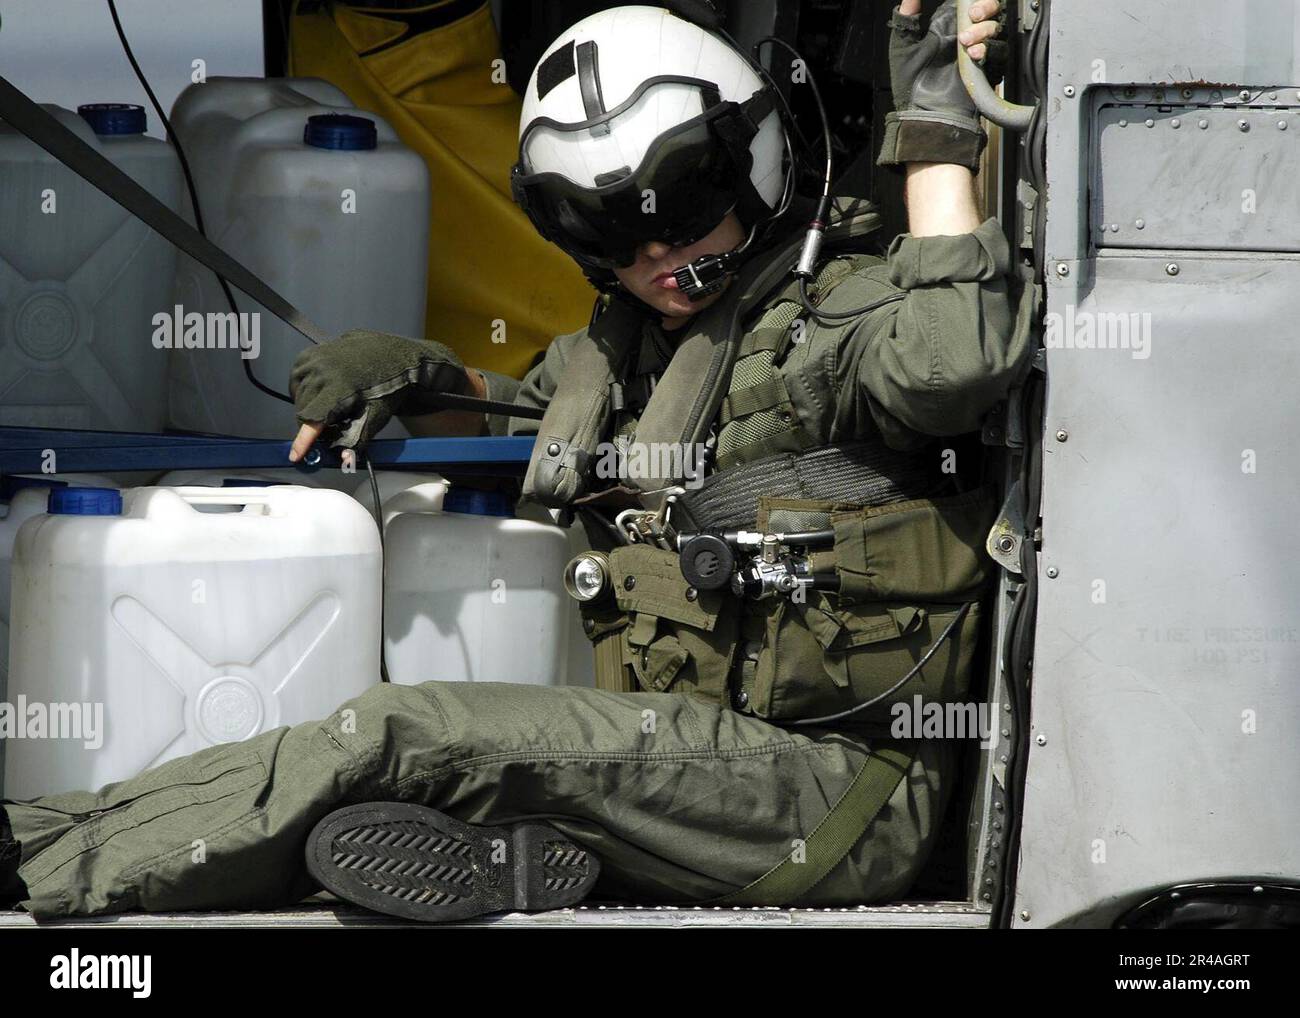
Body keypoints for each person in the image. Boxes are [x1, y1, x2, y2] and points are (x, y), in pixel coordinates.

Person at [0, 0, 1027, 922]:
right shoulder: (629, 353)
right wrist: (414, 376)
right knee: (416, 767)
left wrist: (936, 135)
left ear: (745, 161)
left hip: (834, 794)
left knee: (405, 732)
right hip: (695, 758)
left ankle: (39, 861)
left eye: (678, 200)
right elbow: (540, 423)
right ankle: (523, 856)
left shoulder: (838, 320)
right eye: (605, 227)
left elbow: (952, 366)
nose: (656, 255)